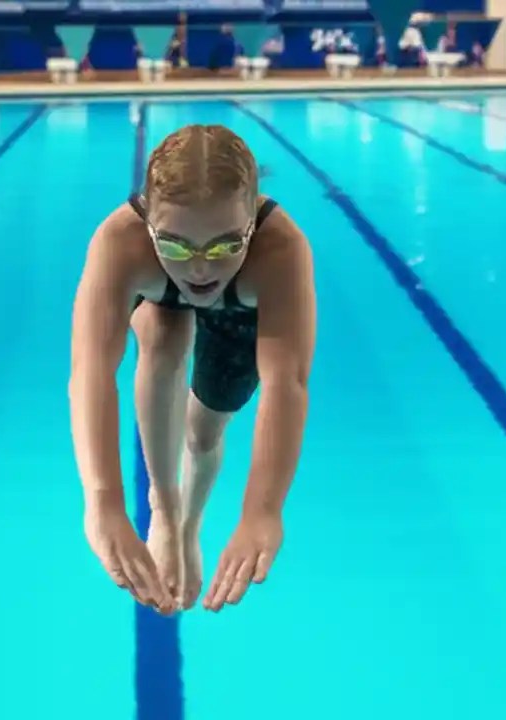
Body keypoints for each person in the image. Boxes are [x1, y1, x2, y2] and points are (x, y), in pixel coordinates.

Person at [69, 124, 316, 615]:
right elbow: (92, 370)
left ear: (250, 223)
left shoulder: (280, 251)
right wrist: (104, 502)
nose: (200, 269)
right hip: (157, 300)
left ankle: (190, 518)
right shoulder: (122, 241)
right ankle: (165, 503)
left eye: (226, 246)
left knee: (203, 435)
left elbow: (285, 382)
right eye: (177, 246)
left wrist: (261, 510)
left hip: (237, 313)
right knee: (162, 338)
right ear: (150, 224)